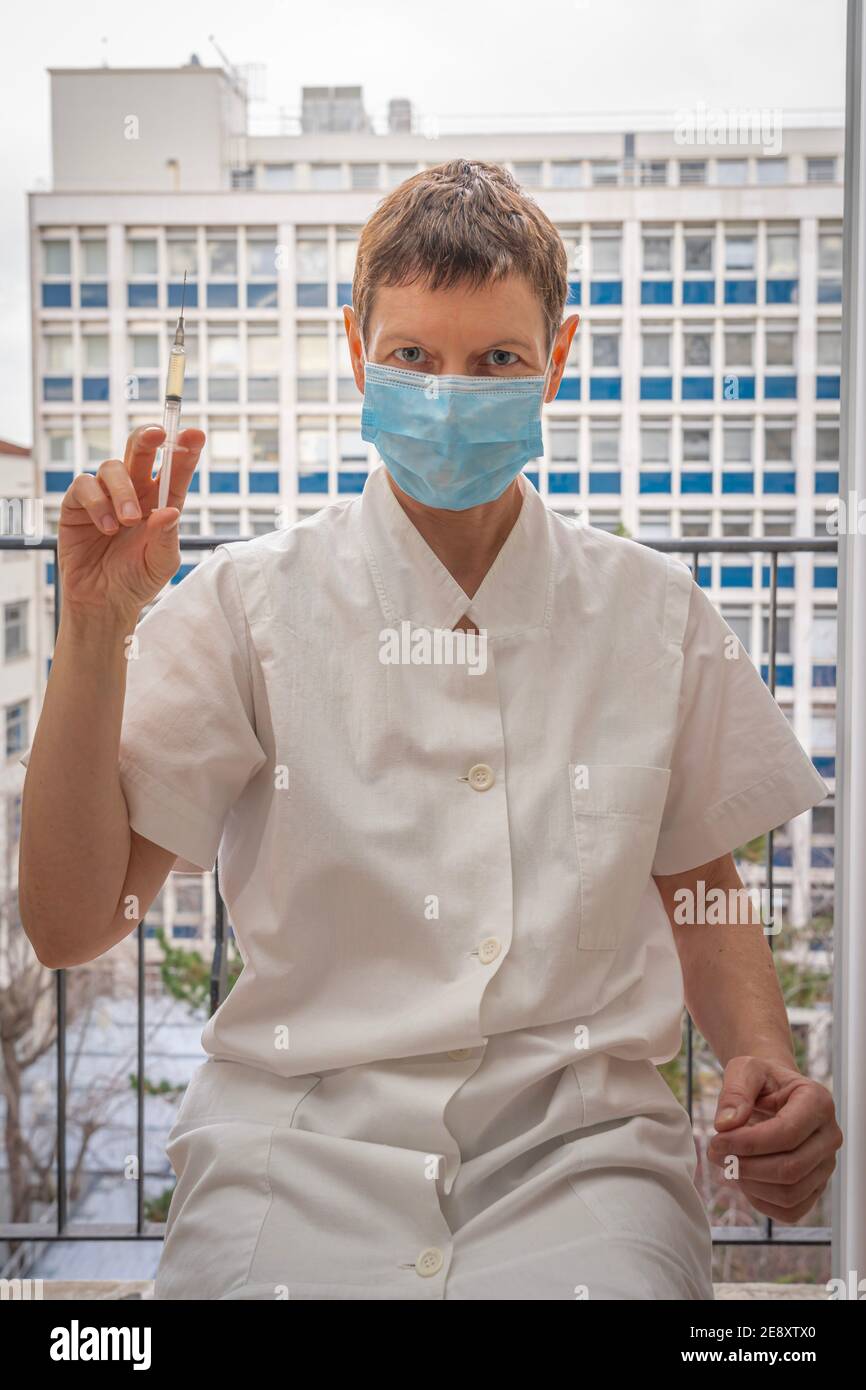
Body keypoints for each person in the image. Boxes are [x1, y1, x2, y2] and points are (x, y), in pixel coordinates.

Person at [19, 159, 842, 1301]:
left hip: (582, 1154)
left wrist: (763, 1063)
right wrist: (94, 632)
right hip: (295, 1144)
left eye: (496, 359)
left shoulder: (652, 613)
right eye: (412, 356)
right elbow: (69, 925)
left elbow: (699, 889)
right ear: (354, 352)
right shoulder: (246, 607)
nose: (449, 392)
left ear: (556, 360)